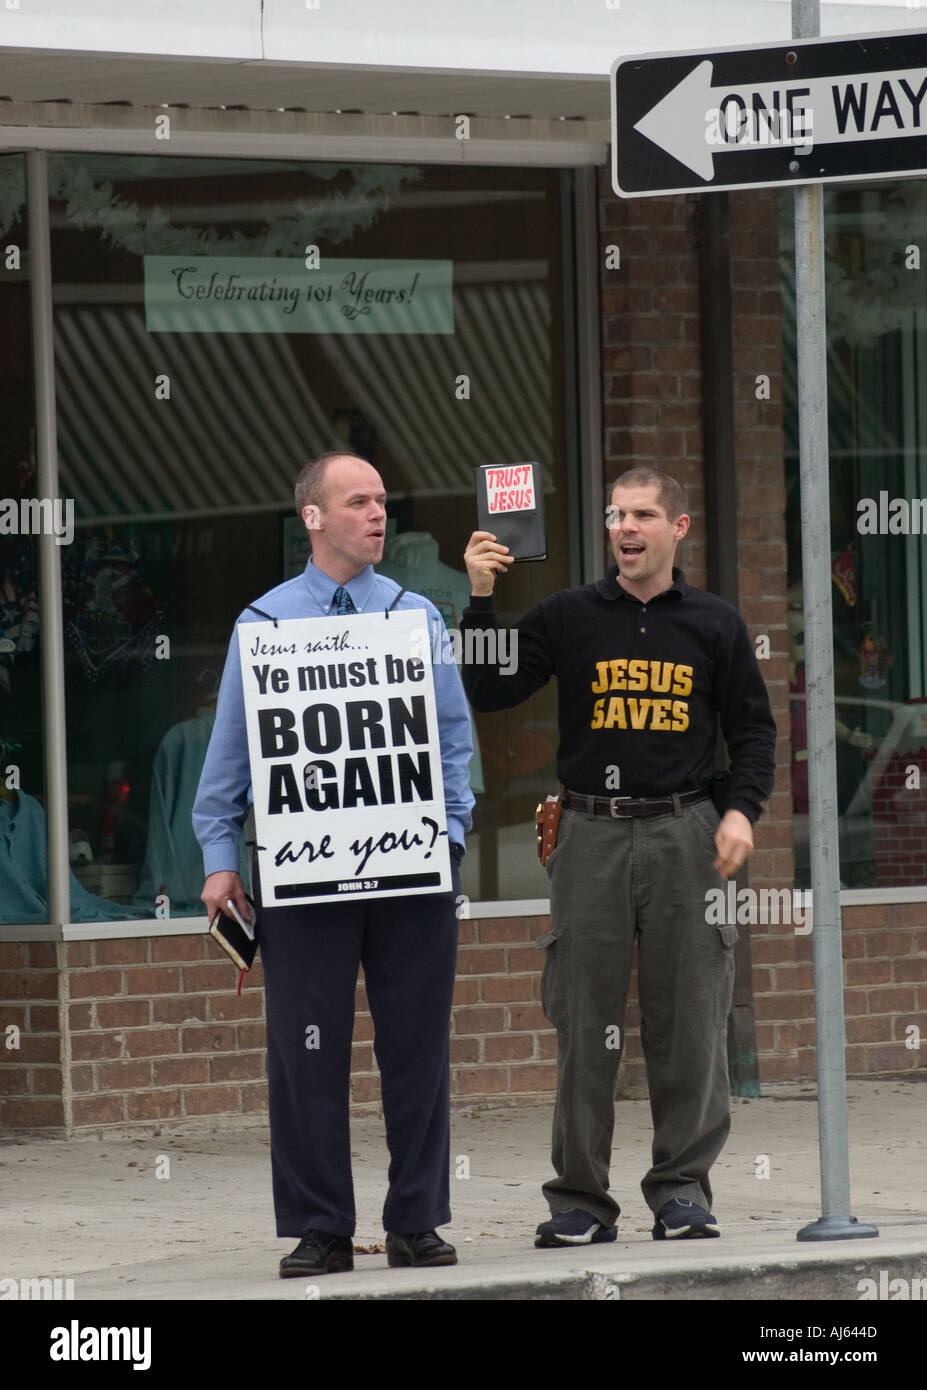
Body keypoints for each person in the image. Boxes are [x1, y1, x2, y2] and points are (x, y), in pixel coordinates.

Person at [459, 466, 776, 1245]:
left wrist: (739, 812)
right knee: (582, 1015)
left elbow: (755, 733)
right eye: (614, 515)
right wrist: (479, 600)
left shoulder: (714, 623)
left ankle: (681, 1192)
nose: (625, 528)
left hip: (686, 832)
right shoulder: (569, 615)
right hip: (589, 832)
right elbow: (488, 687)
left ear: (678, 528)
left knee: (691, 1016)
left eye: (641, 515)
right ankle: (577, 1200)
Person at [193, 452, 474, 1277]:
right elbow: (229, 758)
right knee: (304, 1050)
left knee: (416, 1046)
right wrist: (218, 860)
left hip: (413, 870)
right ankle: (319, 1227)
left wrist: (450, 836)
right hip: (302, 872)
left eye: (382, 500)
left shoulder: (418, 615)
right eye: (358, 502)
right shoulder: (265, 624)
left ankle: (415, 1221)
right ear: (313, 518)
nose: (378, 514)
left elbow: (453, 740)